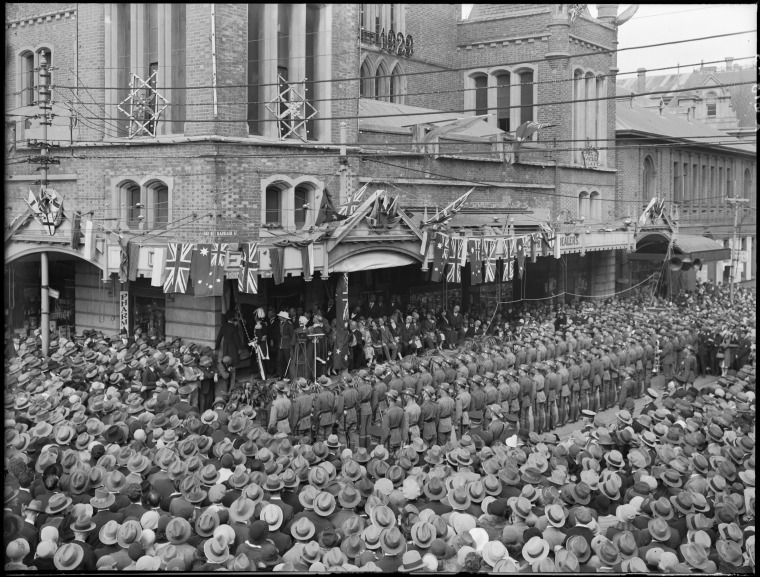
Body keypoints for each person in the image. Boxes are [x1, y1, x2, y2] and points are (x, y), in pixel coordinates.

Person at [276, 311, 294, 379]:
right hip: (280, 344)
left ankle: (289, 375)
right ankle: (281, 375)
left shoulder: (289, 324)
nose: (279, 317)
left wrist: (292, 345)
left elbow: (292, 335)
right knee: (279, 360)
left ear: (283, 317)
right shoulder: (280, 323)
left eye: (280, 316)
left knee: (288, 360)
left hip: (287, 344)